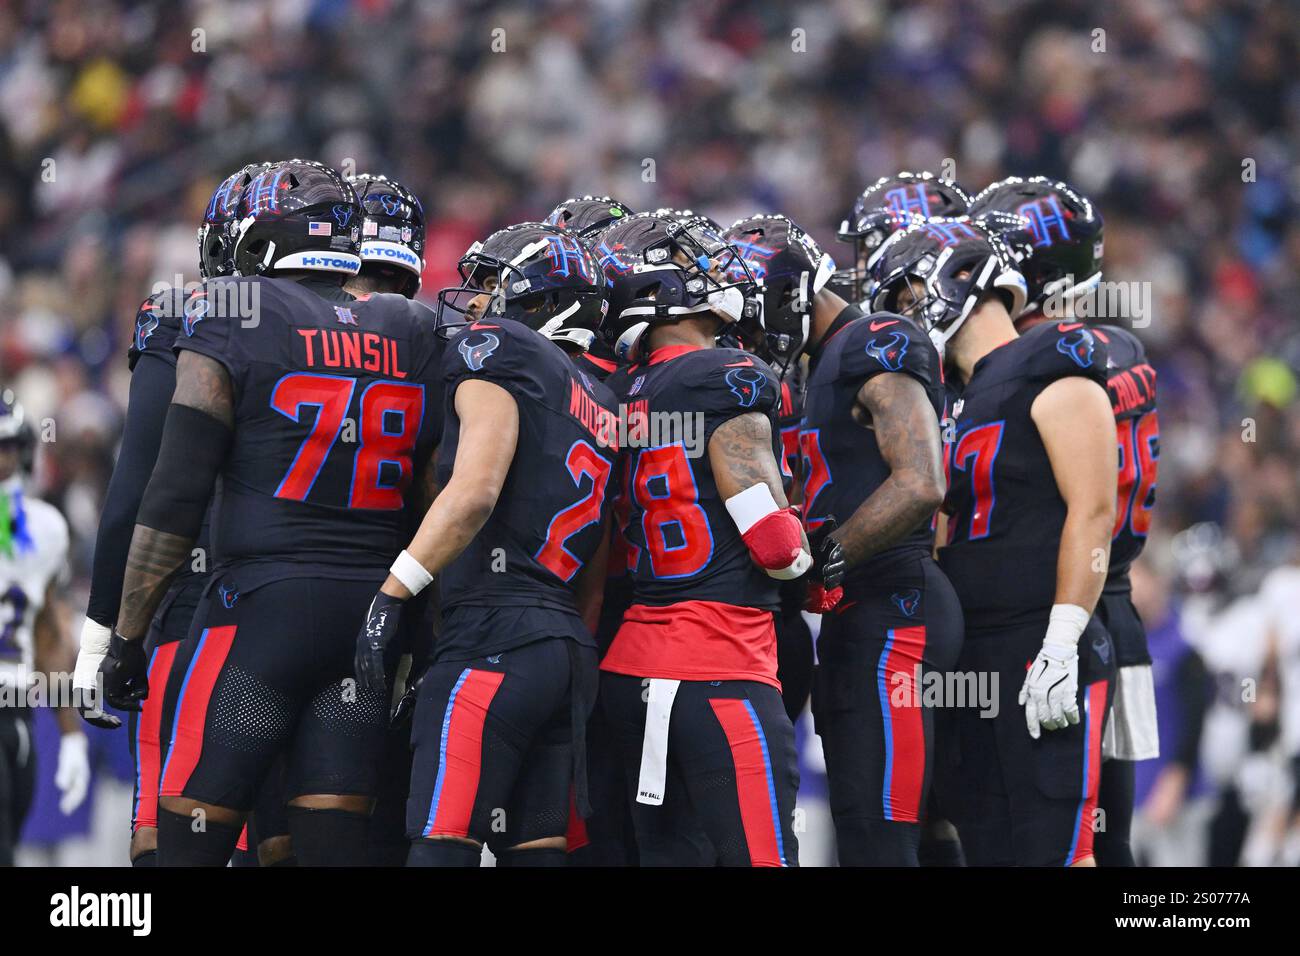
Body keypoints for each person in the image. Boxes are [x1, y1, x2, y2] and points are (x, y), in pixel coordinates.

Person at [98, 159, 448, 866]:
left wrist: (127, 636)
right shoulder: (413, 328)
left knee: (184, 846)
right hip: (367, 622)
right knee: (325, 851)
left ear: (256, 245)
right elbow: (432, 497)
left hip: (256, 612)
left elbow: (173, 495)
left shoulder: (233, 314)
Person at [354, 222, 619, 867]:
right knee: (537, 850)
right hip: (561, 645)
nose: (473, 303)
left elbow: (474, 491)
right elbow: (597, 569)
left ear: (539, 300)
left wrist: (393, 595)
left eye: (492, 287)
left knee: (443, 841)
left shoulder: (501, 349)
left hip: (493, 636)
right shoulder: (600, 396)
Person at [596, 212, 840, 866]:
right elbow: (774, 544)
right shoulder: (727, 372)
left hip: (631, 663)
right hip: (720, 664)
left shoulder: (621, 390)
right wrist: (820, 569)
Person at [873, 217, 1117, 866]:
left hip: (1039, 639)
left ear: (959, 280)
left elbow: (1093, 510)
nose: (908, 317)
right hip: (978, 649)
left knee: (1058, 848)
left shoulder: (1051, 356)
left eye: (910, 299)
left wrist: (1061, 643)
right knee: (988, 843)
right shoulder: (962, 394)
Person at [73, 162, 267, 867]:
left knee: (172, 841)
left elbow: (141, 491)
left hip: (196, 608)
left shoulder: (194, 310)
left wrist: (103, 633)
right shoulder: (398, 330)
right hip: (341, 612)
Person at [973, 175, 1159, 866]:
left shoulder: (1051, 364)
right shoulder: (1116, 349)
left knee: (1067, 836)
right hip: (1111, 604)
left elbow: (1076, 503)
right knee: (1102, 836)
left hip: (1068, 608)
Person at [0, 391, 81, 866]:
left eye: (9, 446)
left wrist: (69, 732)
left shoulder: (44, 527)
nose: (2, 458)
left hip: (16, 712)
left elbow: (49, 636)